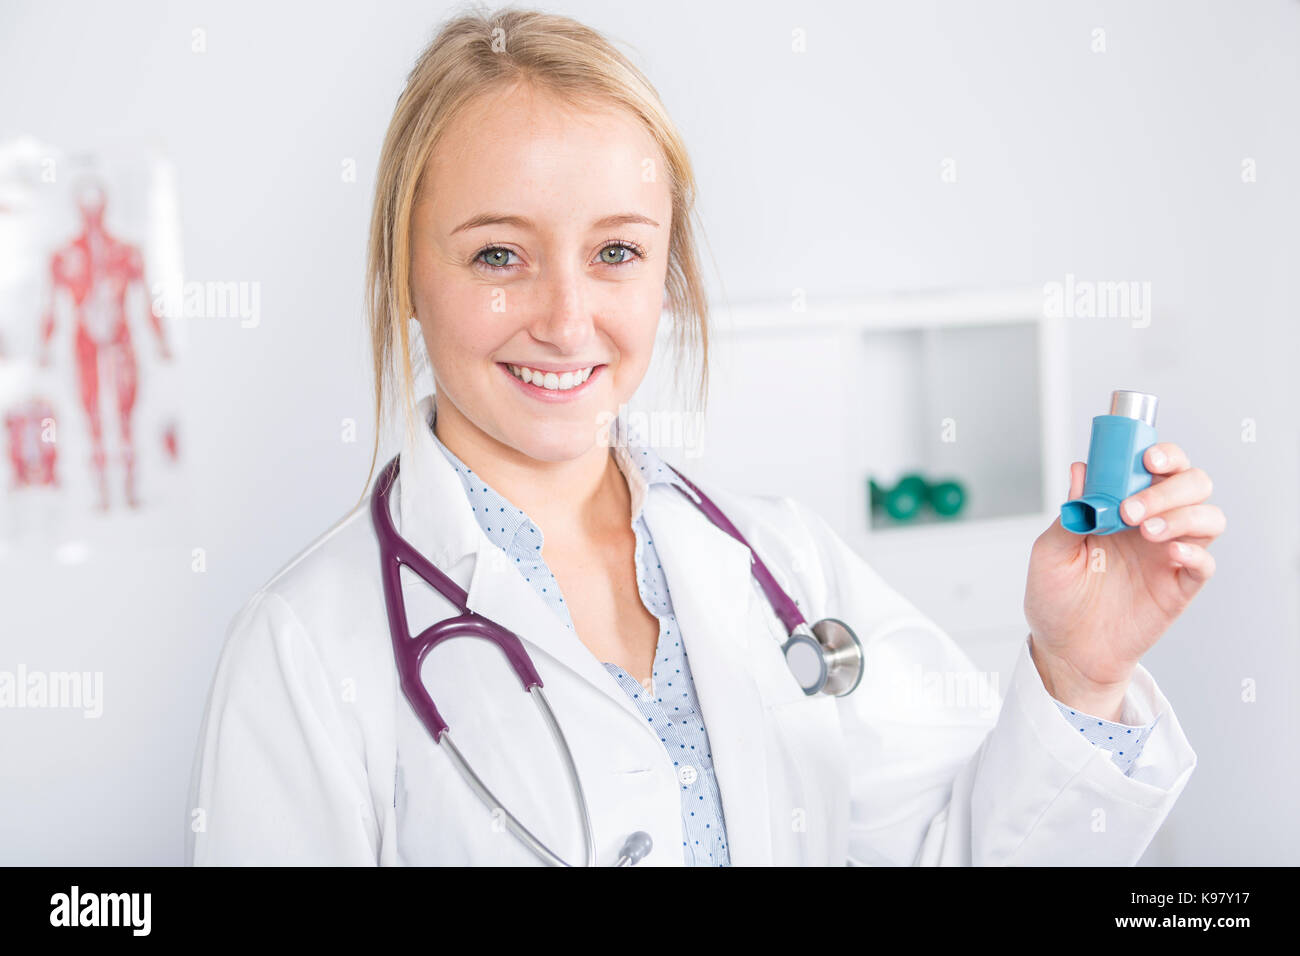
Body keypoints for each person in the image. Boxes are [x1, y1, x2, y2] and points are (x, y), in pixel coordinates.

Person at [186, 7, 1223, 866]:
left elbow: (962, 852)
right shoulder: (306, 647)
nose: (566, 320)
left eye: (616, 253)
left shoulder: (781, 563)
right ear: (406, 274)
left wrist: (1082, 673)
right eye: (499, 254)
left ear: (666, 272)